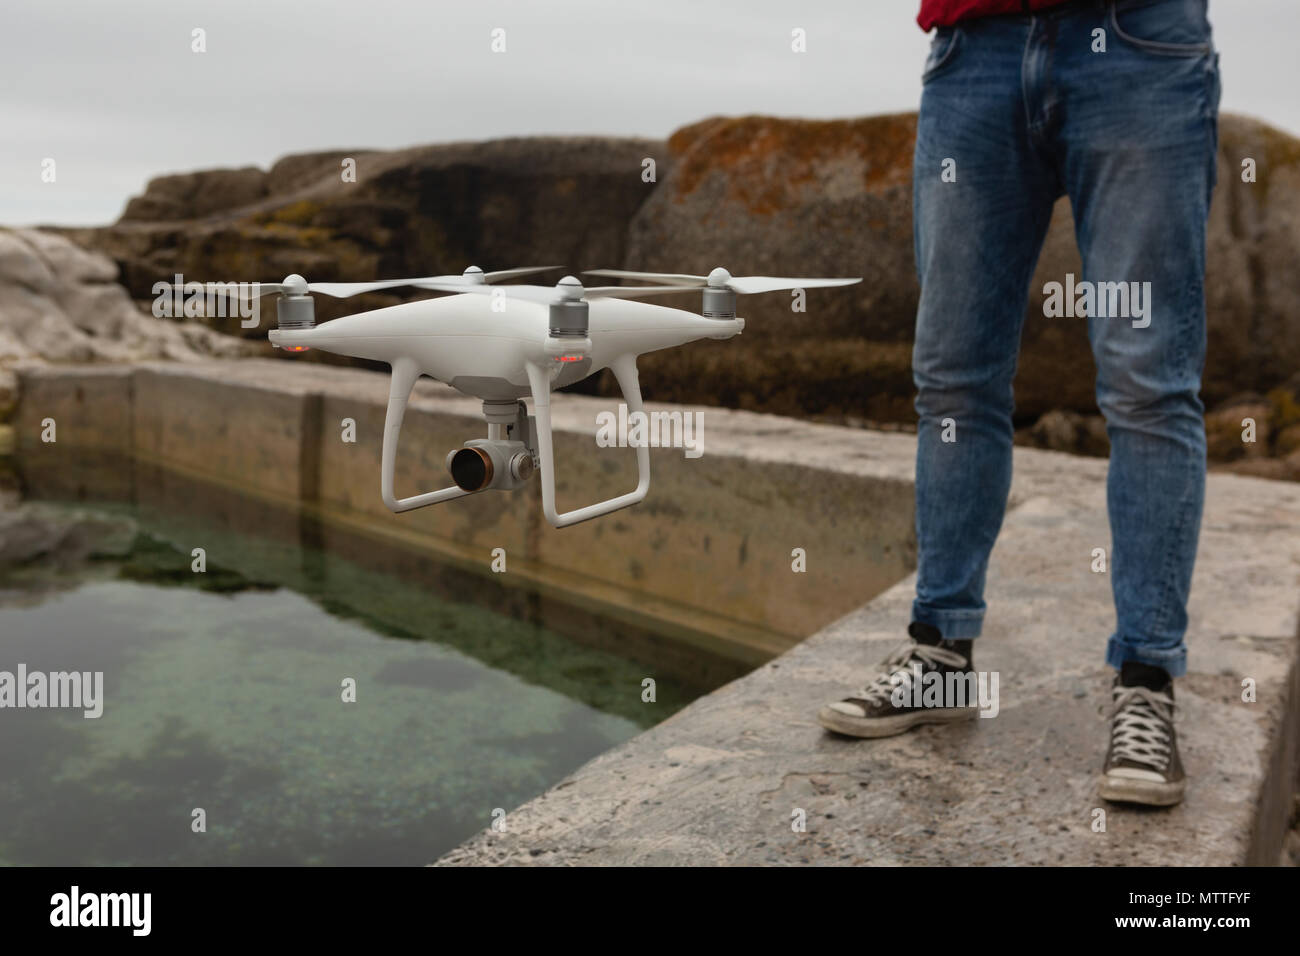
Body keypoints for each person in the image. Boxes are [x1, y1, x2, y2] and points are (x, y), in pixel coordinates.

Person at [819, 0, 1220, 808]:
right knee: (953, 376)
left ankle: (1146, 682)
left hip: (1139, 42)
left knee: (1147, 383)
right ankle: (939, 658)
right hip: (974, 48)